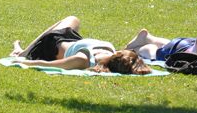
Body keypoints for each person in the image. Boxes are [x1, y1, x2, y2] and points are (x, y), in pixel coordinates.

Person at [10, 16, 151, 75]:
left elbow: (49, 65)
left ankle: (23, 52)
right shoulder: (110, 52)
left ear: (116, 56)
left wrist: (23, 61)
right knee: (74, 19)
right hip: (73, 40)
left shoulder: (82, 59)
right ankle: (21, 50)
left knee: (69, 19)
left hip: (51, 43)